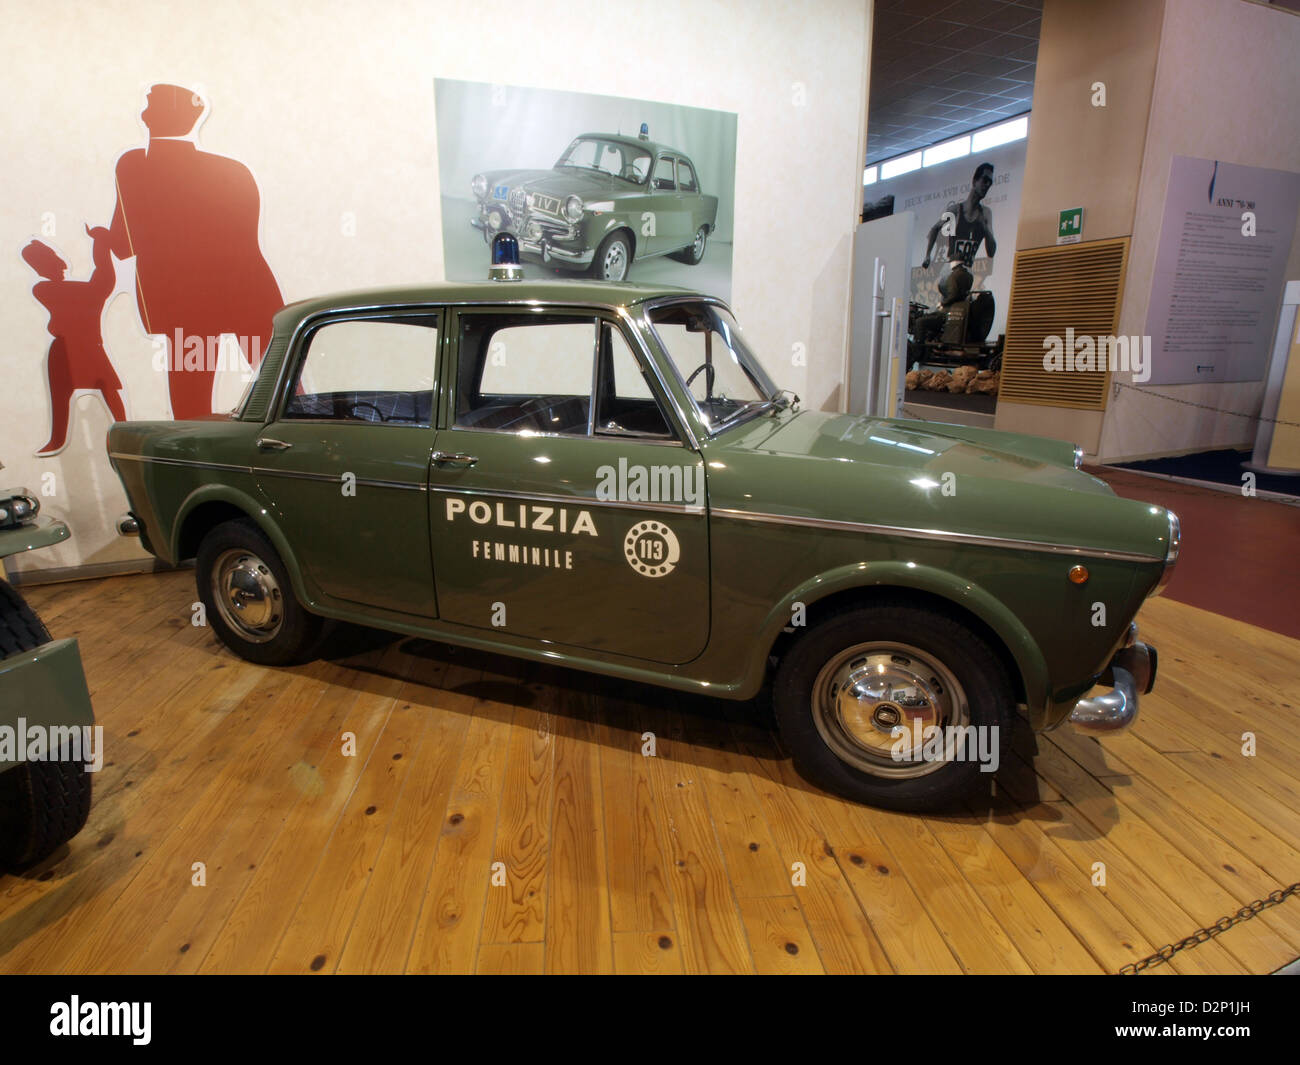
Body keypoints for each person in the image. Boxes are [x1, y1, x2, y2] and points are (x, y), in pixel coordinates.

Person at [105, 84, 283, 419]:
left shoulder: (133, 165)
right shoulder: (233, 170)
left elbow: (124, 243)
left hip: (186, 302)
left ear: (152, 117)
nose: (142, 110)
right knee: (288, 399)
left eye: (148, 104)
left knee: (190, 413)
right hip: (251, 292)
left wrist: (102, 242)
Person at [23, 226, 126, 455]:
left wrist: (101, 244)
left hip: (89, 348)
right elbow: (99, 286)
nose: (61, 264)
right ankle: (57, 439)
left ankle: (126, 432)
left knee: (109, 390)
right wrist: (101, 244)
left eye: (56, 259)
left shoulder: (66, 290)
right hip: (65, 352)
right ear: (41, 268)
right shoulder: (43, 289)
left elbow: (101, 284)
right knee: (61, 398)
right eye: (51, 262)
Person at [916, 161, 997, 343]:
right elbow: (935, 229)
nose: (986, 186)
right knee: (948, 306)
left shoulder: (986, 214)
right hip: (951, 270)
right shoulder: (956, 210)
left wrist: (985, 228)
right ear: (974, 180)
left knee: (959, 310)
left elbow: (991, 251)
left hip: (965, 272)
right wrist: (928, 255)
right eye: (984, 180)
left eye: (990, 183)